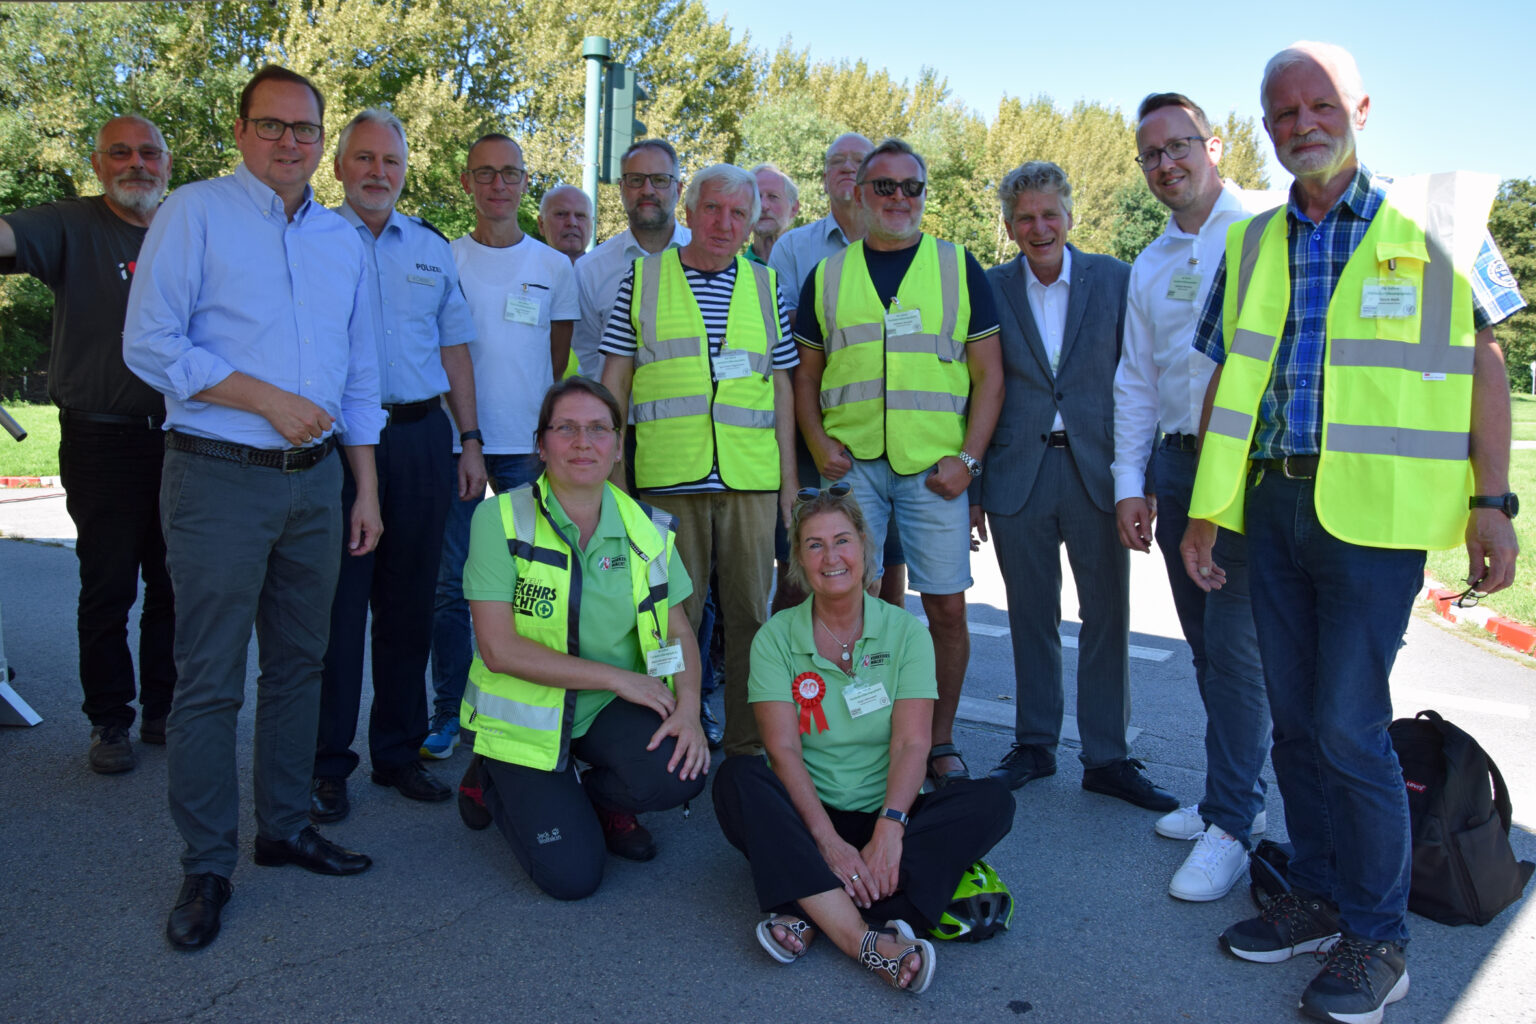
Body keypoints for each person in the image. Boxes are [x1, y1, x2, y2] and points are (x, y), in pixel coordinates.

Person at [1180, 42, 1524, 1023]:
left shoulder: (1436, 221)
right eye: (1281, 111)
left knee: (1345, 724)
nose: (1301, 123)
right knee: (1293, 721)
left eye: (1318, 103)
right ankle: (1324, 895)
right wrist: (1207, 506)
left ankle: (1382, 937)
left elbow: (1483, 361)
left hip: (1375, 521)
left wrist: (1492, 501)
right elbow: (1223, 382)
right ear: (1267, 127)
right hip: (1271, 506)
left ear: (1359, 108)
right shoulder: (1251, 242)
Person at [123, 65, 383, 951]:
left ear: (321, 142)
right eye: (271, 126)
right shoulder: (194, 213)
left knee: (299, 664)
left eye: (304, 129)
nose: (288, 142)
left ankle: (282, 828)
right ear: (240, 132)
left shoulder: (343, 241)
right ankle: (205, 863)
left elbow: (360, 376)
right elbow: (149, 344)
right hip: (218, 473)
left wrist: (366, 489)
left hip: (316, 483)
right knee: (208, 678)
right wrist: (261, 398)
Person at [712, 483, 1014, 992]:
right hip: (810, 816)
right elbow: (782, 750)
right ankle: (865, 937)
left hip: (888, 815)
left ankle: (804, 905)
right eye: (814, 544)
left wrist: (890, 830)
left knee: (992, 801)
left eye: (842, 540)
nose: (831, 556)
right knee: (738, 778)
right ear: (798, 561)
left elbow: (913, 744)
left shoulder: (905, 631)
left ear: (865, 548)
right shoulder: (776, 637)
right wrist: (827, 842)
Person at [794, 137, 1002, 789]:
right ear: (858, 193)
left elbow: (991, 377)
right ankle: (855, 735)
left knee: (944, 609)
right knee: (842, 605)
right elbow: (805, 378)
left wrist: (970, 460)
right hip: (851, 471)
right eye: (885, 187)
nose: (899, 200)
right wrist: (818, 443)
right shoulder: (827, 276)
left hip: (933, 471)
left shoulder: (958, 266)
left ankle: (937, 742)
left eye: (912, 188)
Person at [1111, 93, 1276, 900]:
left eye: (1181, 146)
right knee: (1210, 649)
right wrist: (1129, 484)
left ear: (1214, 146)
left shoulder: (1264, 231)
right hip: (1175, 469)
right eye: (1152, 155)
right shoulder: (1148, 264)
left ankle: (1236, 827)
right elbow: (1136, 382)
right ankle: (1227, 800)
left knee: (1241, 656)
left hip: (1245, 471)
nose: (1168, 164)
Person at [453, 378, 708, 898]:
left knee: (679, 772)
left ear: (617, 448)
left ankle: (597, 798)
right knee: (573, 878)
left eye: (597, 430)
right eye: (565, 428)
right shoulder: (498, 517)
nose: (582, 442)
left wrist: (688, 708)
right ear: (541, 445)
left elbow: (677, 628)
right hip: (525, 713)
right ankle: (490, 776)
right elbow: (498, 650)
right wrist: (618, 677)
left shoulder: (649, 529)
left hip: (602, 707)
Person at [977, 160, 1174, 812]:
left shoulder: (1116, 280)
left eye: (1049, 214)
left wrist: (1139, 482)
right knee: (1029, 616)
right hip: (1018, 477)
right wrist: (975, 484)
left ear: (1070, 216)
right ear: (1009, 226)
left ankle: (1107, 758)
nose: (1039, 228)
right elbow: (973, 386)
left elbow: (1143, 383)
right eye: (1026, 218)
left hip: (1099, 473)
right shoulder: (990, 287)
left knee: (1107, 617)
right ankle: (1034, 743)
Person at [311, 108, 483, 822]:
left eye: (391, 161)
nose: (378, 173)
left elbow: (453, 350)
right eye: (364, 159)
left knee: (410, 606)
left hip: (418, 441)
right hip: (335, 442)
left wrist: (468, 438)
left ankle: (397, 752)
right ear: (340, 166)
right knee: (337, 612)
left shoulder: (430, 248)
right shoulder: (311, 240)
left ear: (405, 170)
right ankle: (325, 764)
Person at [600, 163, 798, 757]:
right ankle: (667, 741)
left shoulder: (767, 286)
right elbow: (616, 382)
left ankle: (744, 750)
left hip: (749, 482)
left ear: (751, 222)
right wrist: (615, 481)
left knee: (749, 622)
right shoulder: (641, 280)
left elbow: (782, 388)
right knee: (667, 622)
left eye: (739, 213)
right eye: (713, 209)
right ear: (687, 212)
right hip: (667, 484)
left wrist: (789, 484)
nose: (724, 222)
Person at [0, 115, 175, 774]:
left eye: (149, 153)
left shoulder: (186, 229)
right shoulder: (71, 224)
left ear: (167, 163)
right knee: (107, 586)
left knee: (174, 583)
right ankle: (110, 720)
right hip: (101, 439)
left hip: (184, 440)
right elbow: (8, 235)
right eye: (120, 153)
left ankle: (164, 707)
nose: (137, 163)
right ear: (99, 164)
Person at [423, 133, 578, 761]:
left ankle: (520, 709)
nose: (497, 185)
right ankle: (447, 711)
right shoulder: (444, 259)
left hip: (526, 450)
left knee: (530, 588)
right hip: (458, 444)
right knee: (451, 587)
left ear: (524, 184)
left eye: (509, 174)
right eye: (484, 174)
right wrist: (467, 438)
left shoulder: (553, 267)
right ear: (465, 183)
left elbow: (556, 360)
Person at [765, 133, 911, 614]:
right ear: (824, 177)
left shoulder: (906, 247)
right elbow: (789, 342)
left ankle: (878, 661)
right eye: (836, 161)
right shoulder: (794, 248)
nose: (847, 167)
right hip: (816, 438)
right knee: (801, 561)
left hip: (887, 440)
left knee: (885, 564)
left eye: (858, 161)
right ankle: (797, 675)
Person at [572, 139, 691, 379]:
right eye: (636, 180)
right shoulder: (589, 271)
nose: (647, 190)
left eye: (659, 180)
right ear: (622, 188)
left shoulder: (708, 257)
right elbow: (591, 360)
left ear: (678, 190)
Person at [746, 163, 799, 264]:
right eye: (756, 197)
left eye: (773, 197)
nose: (764, 206)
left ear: (794, 208)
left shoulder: (808, 264)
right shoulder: (733, 269)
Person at [537, 184, 593, 264]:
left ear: (591, 226)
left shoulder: (609, 274)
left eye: (580, 216)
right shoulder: (523, 272)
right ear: (541, 224)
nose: (572, 223)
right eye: (561, 214)